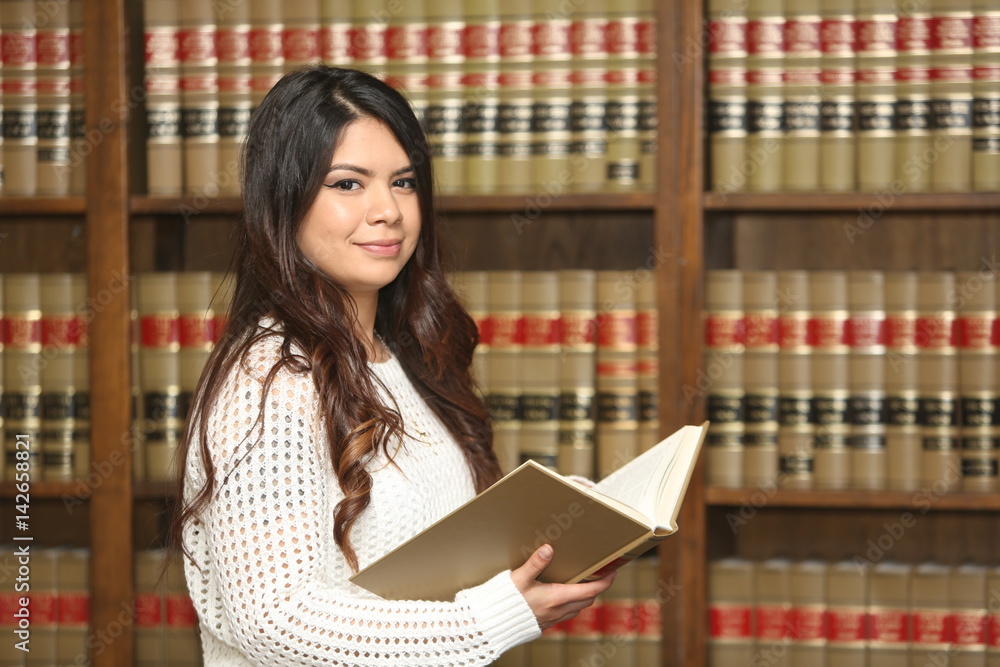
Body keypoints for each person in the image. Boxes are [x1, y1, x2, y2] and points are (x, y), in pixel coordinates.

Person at [173, 64, 615, 666]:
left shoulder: (395, 356)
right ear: (284, 201)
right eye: (348, 184)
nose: (389, 211)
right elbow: (274, 621)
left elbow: (427, 552)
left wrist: (567, 527)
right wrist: (492, 619)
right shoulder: (268, 380)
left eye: (403, 182)